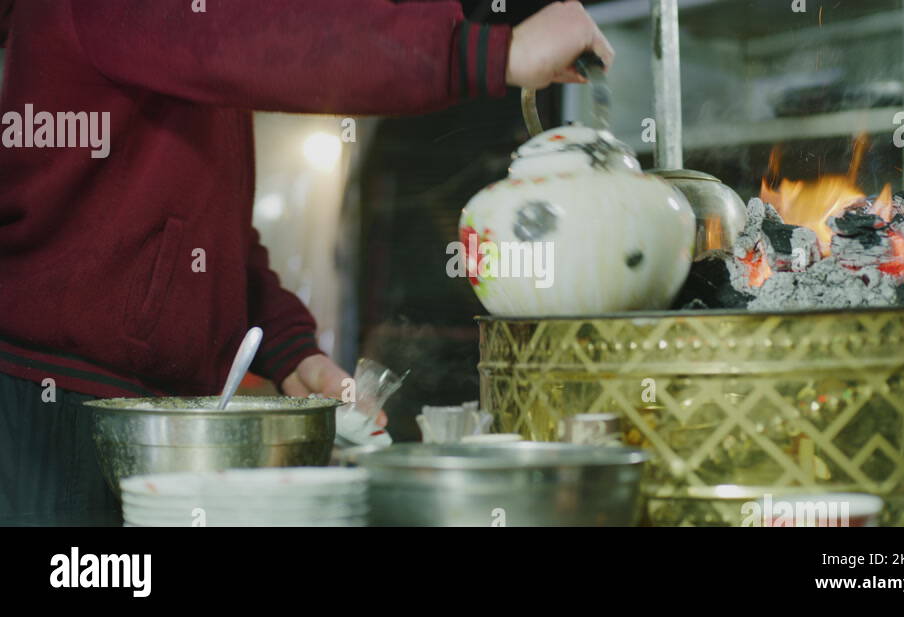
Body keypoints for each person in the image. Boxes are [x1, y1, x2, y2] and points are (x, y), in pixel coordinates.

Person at [0, 1, 614, 525]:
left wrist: (291, 350)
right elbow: (274, 36)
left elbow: (209, 237)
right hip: (56, 404)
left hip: (144, 410)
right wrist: (488, 51)